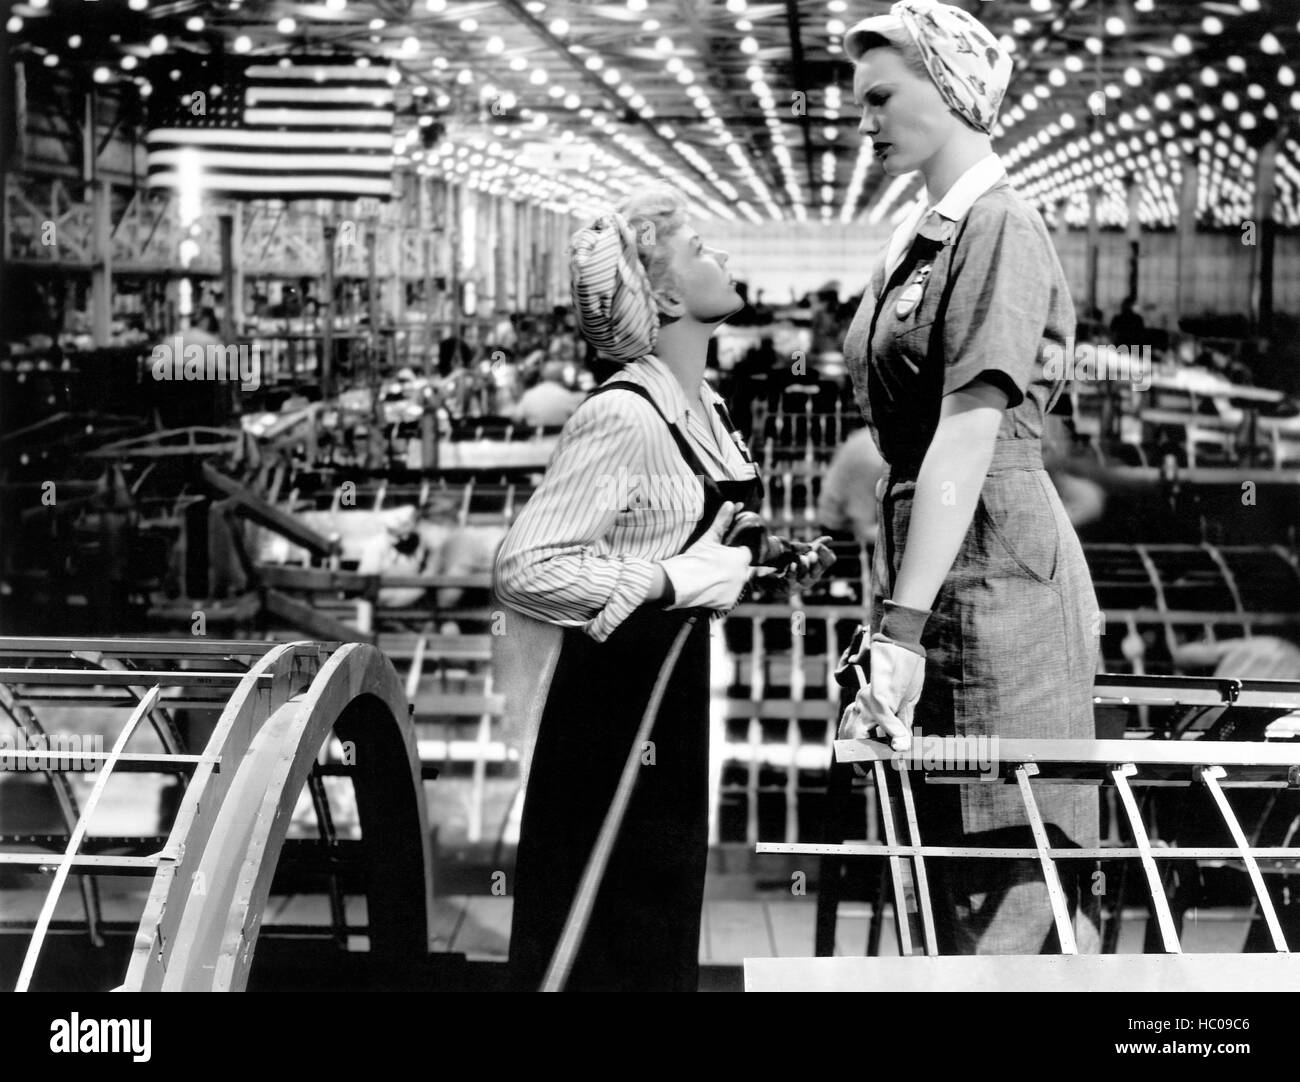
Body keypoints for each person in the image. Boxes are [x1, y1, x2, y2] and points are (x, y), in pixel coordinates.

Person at [493, 187, 834, 992]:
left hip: (672, 696)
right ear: (669, 295)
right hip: (610, 713)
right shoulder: (627, 416)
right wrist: (670, 578)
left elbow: (679, 528)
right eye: (702, 250)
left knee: (661, 910)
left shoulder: (704, 405)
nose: (724, 260)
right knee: (607, 919)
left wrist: (762, 557)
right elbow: (525, 567)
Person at [837, 0, 1100, 955]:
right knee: (940, 854)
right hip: (942, 566)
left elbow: (967, 432)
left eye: (879, 97)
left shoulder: (998, 228)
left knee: (1008, 859)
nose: (861, 120)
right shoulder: (930, 234)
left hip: (999, 581)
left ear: (946, 90)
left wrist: (902, 623)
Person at [510, 359, 583, 428]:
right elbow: (580, 420)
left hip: (536, 438)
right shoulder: (567, 396)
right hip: (560, 438)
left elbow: (516, 418)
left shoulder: (529, 395)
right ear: (561, 376)